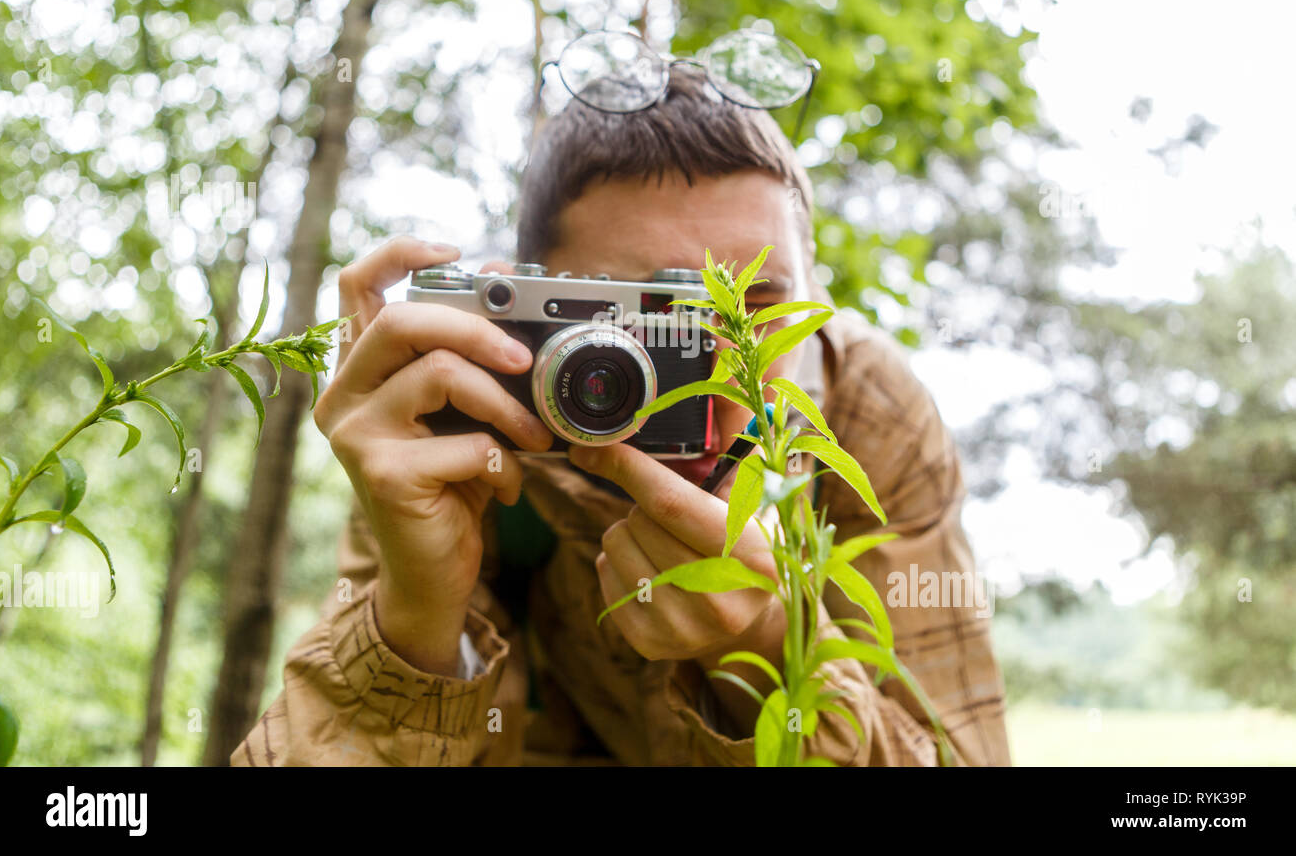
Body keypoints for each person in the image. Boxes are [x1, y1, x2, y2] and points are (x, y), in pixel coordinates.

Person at [231, 64, 1011, 766]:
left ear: (819, 297)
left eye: (758, 307)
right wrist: (414, 615)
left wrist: (771, 645)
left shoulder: (869, 410)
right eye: (647, 319)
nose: (710, 369)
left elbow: (960, 752)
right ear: (528, 313)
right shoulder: (458, 429)